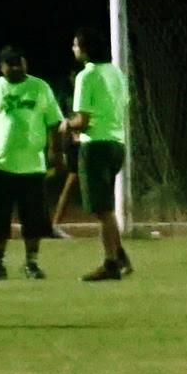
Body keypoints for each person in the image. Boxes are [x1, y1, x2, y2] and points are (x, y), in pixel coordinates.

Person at [0, 45, 62, 278]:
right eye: (11, 63)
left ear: (26, 63)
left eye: (20, 62)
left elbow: (54, 123)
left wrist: (55, 151)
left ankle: (32, 263)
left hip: (32, 167)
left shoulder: (40, 87)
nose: (16, 67)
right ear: (2, 67)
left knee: (33, 218)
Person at [61, 28, 133, 280]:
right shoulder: (116, 73)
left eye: (75, 44)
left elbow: (82, 120)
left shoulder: (87, 75)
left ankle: (111, 263)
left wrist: (67, 125)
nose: (73, 49)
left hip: (96, 147)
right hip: (117, 145)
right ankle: (119, 254)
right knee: (105, 207)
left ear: (85, 49)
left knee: (102, 209)